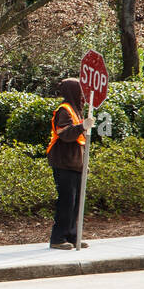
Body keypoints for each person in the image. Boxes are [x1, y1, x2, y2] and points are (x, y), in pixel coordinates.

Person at [46, 77, 91, 250]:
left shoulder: (76, 109)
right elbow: (65, 135)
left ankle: (73, 235)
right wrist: (82, 127)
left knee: (76, 203)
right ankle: (58, 238)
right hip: (64, 163)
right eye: (81, 91)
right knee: (67, 202)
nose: (83, 95)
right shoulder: (64, 110)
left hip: (75, 163)